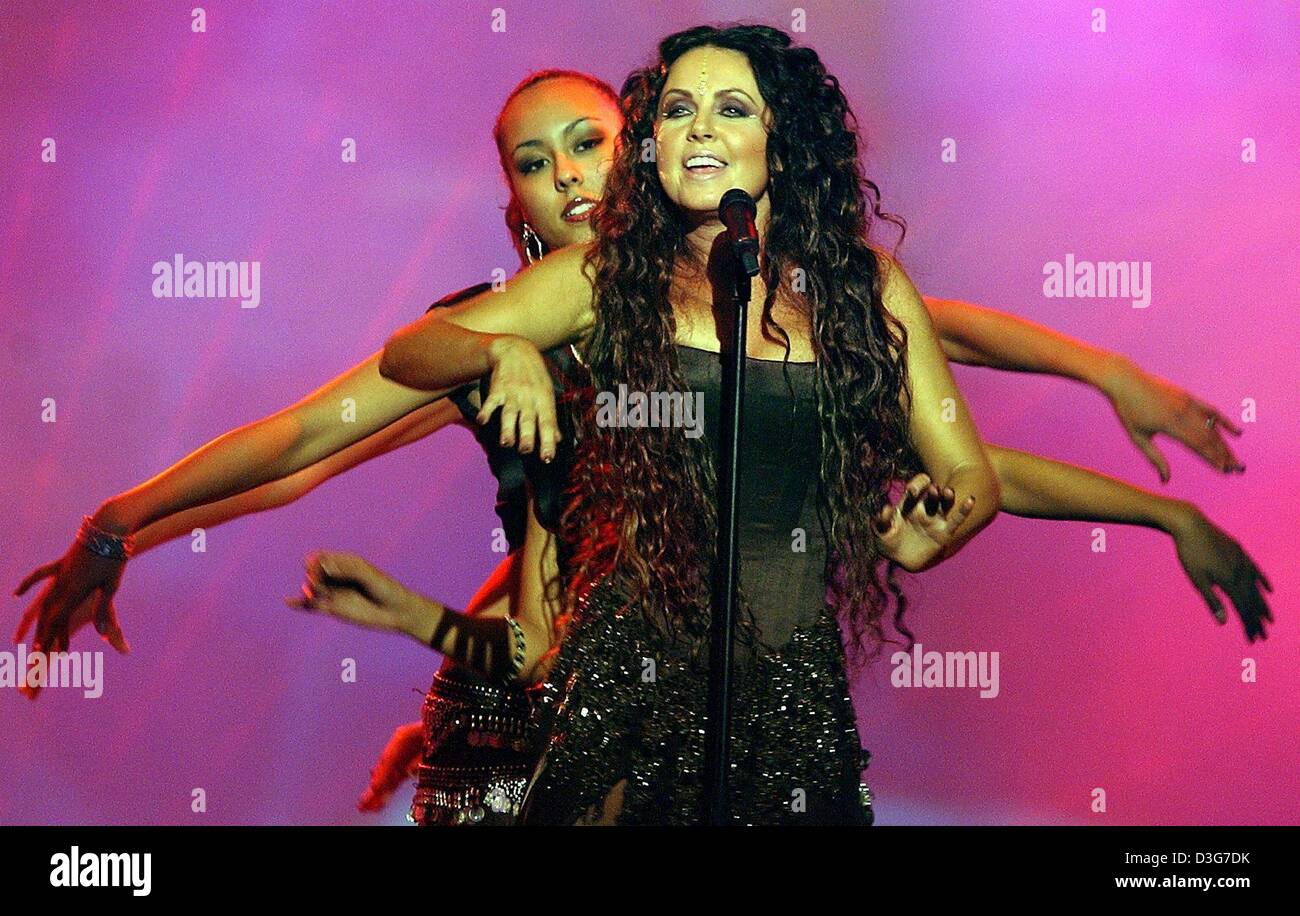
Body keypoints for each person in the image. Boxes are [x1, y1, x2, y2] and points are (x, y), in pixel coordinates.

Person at [14, 61, 1269, 827]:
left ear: (641, 156)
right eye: (531, 159)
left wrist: (1122, 404)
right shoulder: (469, 333)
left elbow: (933, 360)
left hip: (707, 721)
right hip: (525, 727)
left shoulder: (733, 299)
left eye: (587, 141)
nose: (564, 171)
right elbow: (298, 440)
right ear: (511, 204)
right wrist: (117, 520)